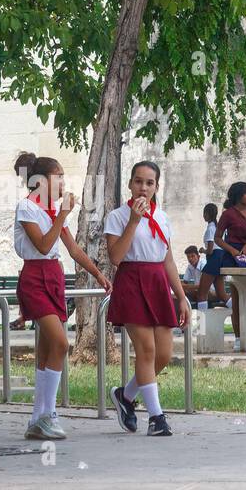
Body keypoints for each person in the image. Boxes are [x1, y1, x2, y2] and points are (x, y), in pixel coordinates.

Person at [13, 151, 111, 441]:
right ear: (42, 181)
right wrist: (64, 215)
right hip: (34, 277)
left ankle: (38, 417)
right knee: (60, 343)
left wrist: (98, 273)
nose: (63, 183)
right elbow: (43, 245)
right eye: (59, 177)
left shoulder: (53, 213)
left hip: (53, 276)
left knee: (47, 351)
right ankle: (49, 413)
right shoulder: (27, 208)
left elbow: (73, 249)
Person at [104, 161, 189, 437]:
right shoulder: (117, 216)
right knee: (146, 350)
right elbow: (115, 257)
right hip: (131, 281)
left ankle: (125, 396)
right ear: (130, 184)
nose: (143, 187)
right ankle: (156, 418)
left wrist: (182, 297)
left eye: (149, 183)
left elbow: (168, 260)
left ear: (156, 187)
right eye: (138, 181)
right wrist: (133, 221)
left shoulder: (162, 217)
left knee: (163, 355)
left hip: (157, 283)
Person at [194, 182, 246, 339]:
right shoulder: (227, 215)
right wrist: (232, 250)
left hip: (224, 256)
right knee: (223, 294)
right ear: (238, 195)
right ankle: (200, 333)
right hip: (228, 253)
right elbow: (219, 238)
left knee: (203, 293)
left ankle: (199, 332)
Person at [198, 202, 229, 306]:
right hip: (220, 259)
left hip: (213, 259)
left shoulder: (210, 228)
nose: (203, 216)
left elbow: (210, 250)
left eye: (204, 213)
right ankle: (239, 310)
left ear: (207, 214)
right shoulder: (218, 228)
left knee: (202, 294)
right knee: (221, 295)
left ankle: (202, 321)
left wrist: (203, 250)